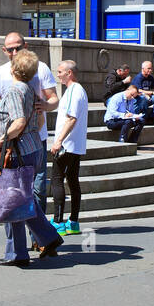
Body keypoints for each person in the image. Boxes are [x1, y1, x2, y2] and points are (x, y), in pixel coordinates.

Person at [0, 48, 64, 267]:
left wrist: (0, 139)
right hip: (33, 147)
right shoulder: (32, 90)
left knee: (12, 201)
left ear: (13, 68)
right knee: (24, 198)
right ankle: (49, 237)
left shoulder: (14, 91)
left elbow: (19, 121)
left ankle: (17, 253)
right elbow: (39, 121)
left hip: (17, 151)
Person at [0, 32, 58, 216]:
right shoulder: (0, 73)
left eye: (19, 47)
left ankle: (37, 239)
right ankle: (29, 236)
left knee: (38, 188)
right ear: (4, 50)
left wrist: (47, 105)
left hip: (34, 140)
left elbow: (54, 99)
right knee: (11, 191)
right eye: (10, 49)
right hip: (9, 144)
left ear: (26, 46)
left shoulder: (40, 68)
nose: (15, 51)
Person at [50, 59, 89, 235]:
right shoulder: (76, 91)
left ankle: (58, 221)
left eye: (60, 72)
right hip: (76, 145)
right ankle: (73, 221)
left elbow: (71, 118)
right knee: (73, 181)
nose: (58, 75)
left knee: (57, 180)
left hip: (67, 145)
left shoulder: (74, 90)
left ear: (69, 73)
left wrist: (59, 141)